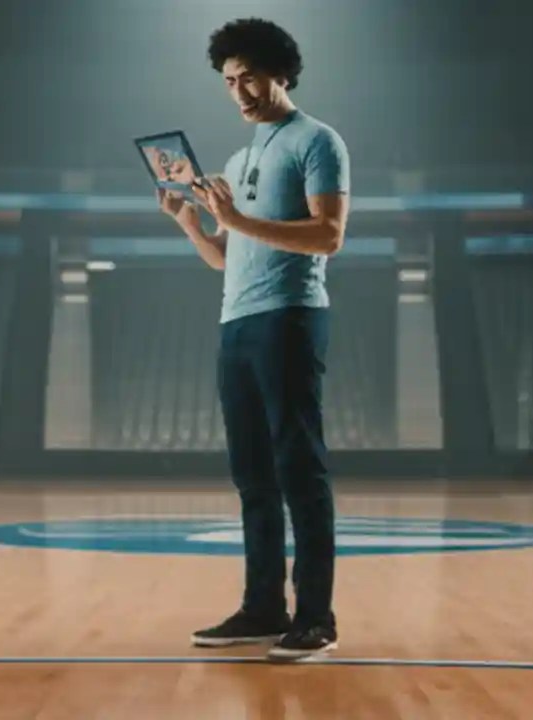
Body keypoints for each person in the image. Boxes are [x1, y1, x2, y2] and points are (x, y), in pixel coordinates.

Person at [156, 17, 350, 660]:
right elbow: (225, 256)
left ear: (281, 73)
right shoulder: (238, 161)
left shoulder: (317, 141)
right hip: (236, 321)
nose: (238, 91)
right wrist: (191, 221)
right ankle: (264, 607)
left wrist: (236, 217)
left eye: (248, 77)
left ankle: (316, 618)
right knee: (252, 476)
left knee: (299, 468)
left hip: (289, 317)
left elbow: (328, 236)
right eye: (228, 81)